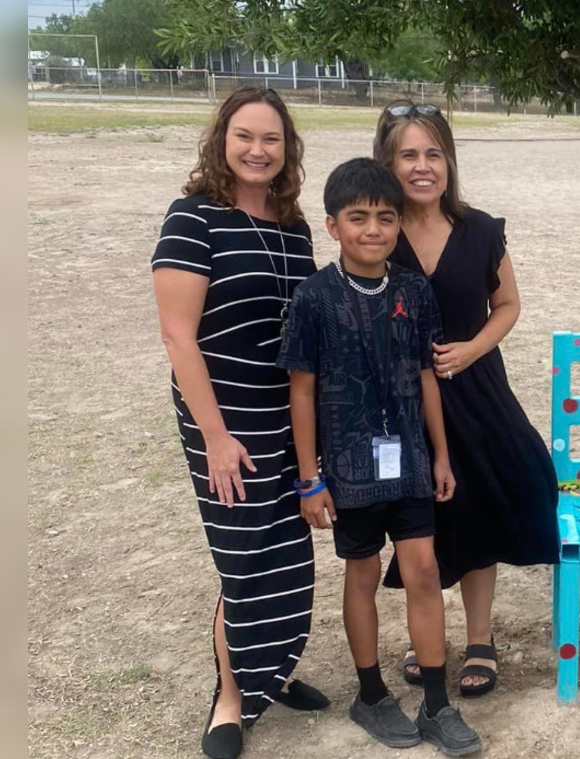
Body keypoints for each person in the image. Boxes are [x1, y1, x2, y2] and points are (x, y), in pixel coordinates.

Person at [277, 158, 483, 755]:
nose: (373, 229)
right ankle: (370, 694)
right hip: (347, 468)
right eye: (358, 218)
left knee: (423, 570)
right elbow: (302, 391)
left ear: (398, 225)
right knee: (363, 572)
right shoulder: (313, 297)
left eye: (385, 218)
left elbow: (426, 377)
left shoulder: (414, 291)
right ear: (332, 225)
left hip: (412, 462)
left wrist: (441, 456)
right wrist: (310, 479)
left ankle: (438, 705)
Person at [151, 86, 328, 759]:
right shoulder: (193, 217)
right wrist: (218, 436)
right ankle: (231, 699)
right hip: (222, 413)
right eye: (245, 136)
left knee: (288, 551)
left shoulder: (293, 225)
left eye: (272, 139)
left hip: (286, 412)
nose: (258, 150)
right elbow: (178, 337)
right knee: (245, 558)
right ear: (221, 141)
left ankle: (271, 671)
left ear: (288, 149)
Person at [373, 100, 560, 696]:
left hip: (476, 392)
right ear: (388, 161)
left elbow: (508, 306)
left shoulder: (480, 231)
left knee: (480, 512)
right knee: (419, 521)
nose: (422, 166)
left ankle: (480, 638)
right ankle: (425, 634)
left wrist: (471, 349)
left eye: (434, 154)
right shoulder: (375, 229)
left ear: (449, 161)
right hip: (402, 404)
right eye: (408, 154)